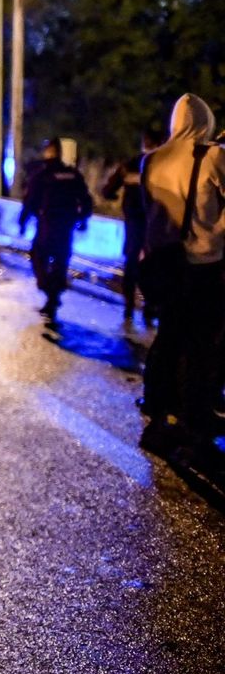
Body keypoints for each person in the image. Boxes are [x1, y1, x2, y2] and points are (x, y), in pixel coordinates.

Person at [139, 94, 225, 453]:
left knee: (169, 336)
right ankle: (195, 418)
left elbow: (148, 212)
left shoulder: (151, 160)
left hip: (165, 264)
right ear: (205, 121)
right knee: (202, 344)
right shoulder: (214, 156)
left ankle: (159, 407)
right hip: (206, 264)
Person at [19, 138, 94, 325]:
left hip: (47, 225)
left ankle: (49, 290)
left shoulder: (41, 174)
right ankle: (53, 298)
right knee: (61, 262)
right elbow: (86, 199)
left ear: (48, 152)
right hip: (66, 226)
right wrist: (83, 219)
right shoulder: (72, 174)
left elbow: (29, 201)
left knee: (38, 258)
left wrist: (23, 221)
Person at [102, 128, 163, 326]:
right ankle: (150, 309)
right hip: (157, 225)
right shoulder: (163, 165)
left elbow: (107, 190)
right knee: (154, 266)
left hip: (134, 224)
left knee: (131, 264)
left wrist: (116, 196)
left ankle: (129, 308)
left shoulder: (129, 165)